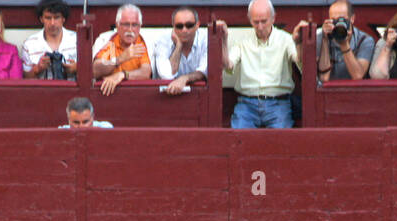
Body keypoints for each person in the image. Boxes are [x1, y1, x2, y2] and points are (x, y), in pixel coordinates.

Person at [218, 0, 300, 128]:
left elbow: (300, 61)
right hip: (247, 104)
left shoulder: (286, 39)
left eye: (264, 21)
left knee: (281, 142)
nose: (260, 27)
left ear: (273, 18)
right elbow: (228, 65)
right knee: (237, 140)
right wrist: (223, 40)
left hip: (278, 103)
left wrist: (299, 43)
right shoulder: (242, 41)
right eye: (256, 22)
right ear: (249, 20)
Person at [295, 1, 374, 82]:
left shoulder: (365, 40)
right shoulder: (321, 38)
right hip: (328, 93)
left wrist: (344, 44)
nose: (339, 24)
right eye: (334, 20)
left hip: (356, 93)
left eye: (342, 19)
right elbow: (324, 78)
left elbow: (357, 76)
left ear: (352, 19)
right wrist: (324, 40)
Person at [93, 3, 151, 96]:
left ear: (140, 26)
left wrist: (122, 75)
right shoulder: (110, 42)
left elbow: (145, 72)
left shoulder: (142, 43)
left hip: (139, 96)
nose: (130, 30)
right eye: (126, 24)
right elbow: (95, 70)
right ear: (117, 25)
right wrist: (119, 59)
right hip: (107, 96)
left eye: (135, 25)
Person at [153, 5, 206, 94]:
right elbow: (167, 75)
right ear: (173, 26)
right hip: (168, 96)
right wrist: (178, 46)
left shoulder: (206, 39)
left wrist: (185, 79)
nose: (184, 30)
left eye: (189, 25)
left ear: (197, 25)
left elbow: (204, 70)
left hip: (199, 96)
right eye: (179, 26)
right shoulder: (163, 41)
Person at [22, 0, 77, 80]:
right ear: (41, 19)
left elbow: (90, 72)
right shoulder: (30, 44)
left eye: (56, 17)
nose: (52, 23)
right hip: (41, 91)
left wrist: (77, 68)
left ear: (63, 19)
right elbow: (24, 78)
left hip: (72, 91)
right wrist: (38, 69)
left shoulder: (77, 40)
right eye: (48, 18)